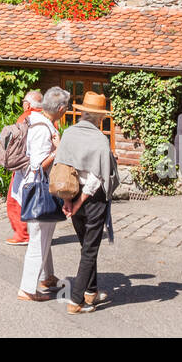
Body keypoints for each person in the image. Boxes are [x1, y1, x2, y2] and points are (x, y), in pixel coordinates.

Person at [56, 91, 120, 314]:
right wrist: (80, 201)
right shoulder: (99, 139)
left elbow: (62, 166)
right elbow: (97, 176)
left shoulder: (69, 133)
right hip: (92, 199)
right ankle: (76, 301)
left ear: (83, 112)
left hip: (70, 191)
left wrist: (68, 200)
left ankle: (90, 291)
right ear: (100, 117)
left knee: (86, 246)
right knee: (90, 250)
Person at [14, 87, 65, 302]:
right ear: (61, 109)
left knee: (45, 232)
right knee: (39, 238)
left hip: (25, 185)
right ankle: (27, 289)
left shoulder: (32, 120)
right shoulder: (44, 129)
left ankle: (47, 277)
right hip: (38, 188)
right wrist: (57, 150)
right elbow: (38, 164)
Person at [6, 90, 43, 246]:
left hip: (24, 166)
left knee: (15, 199)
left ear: (27, 104)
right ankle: (36, 233)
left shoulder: (25, 117)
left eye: (23, 102)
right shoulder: (47, 118)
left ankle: (22, 235)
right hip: (42, 166)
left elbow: (16, 143)